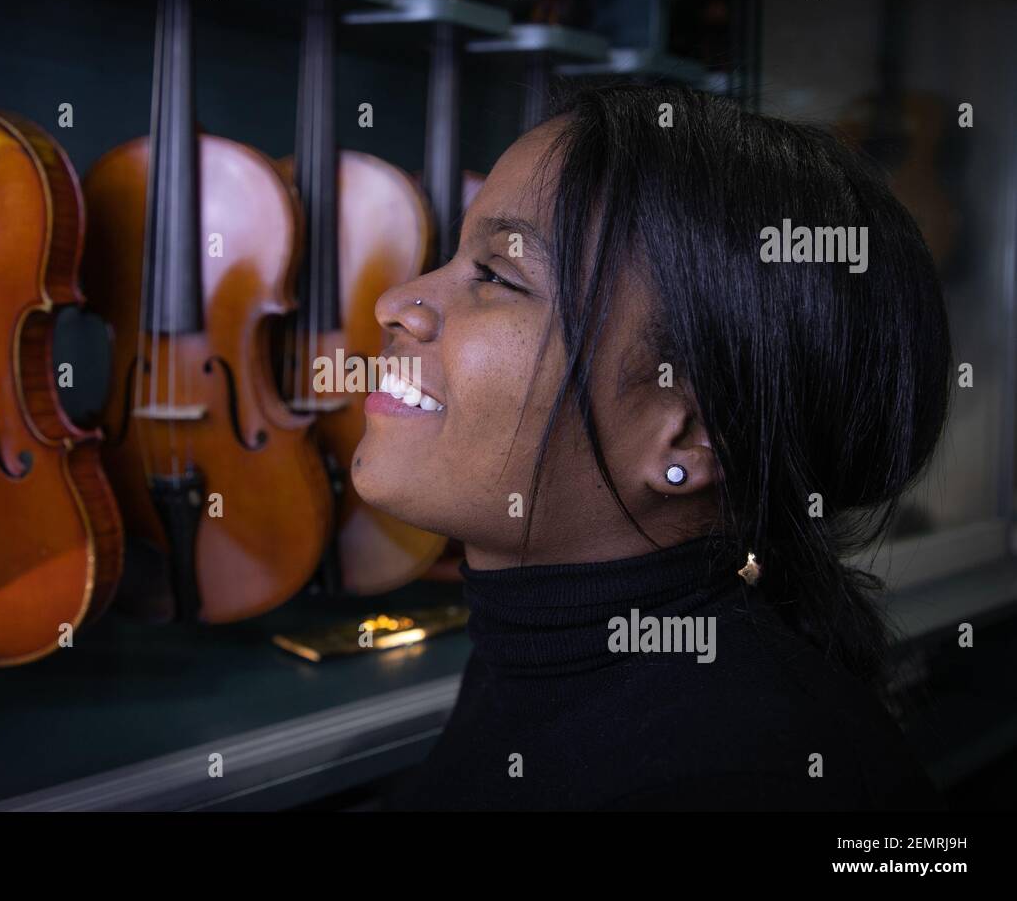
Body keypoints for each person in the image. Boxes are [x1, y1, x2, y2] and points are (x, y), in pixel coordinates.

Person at [353, 84, 952, 810]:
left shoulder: (736, 783)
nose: (397, 304)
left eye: (497, 277)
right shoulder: (540, 643)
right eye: (454, 256)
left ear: (689, 437)